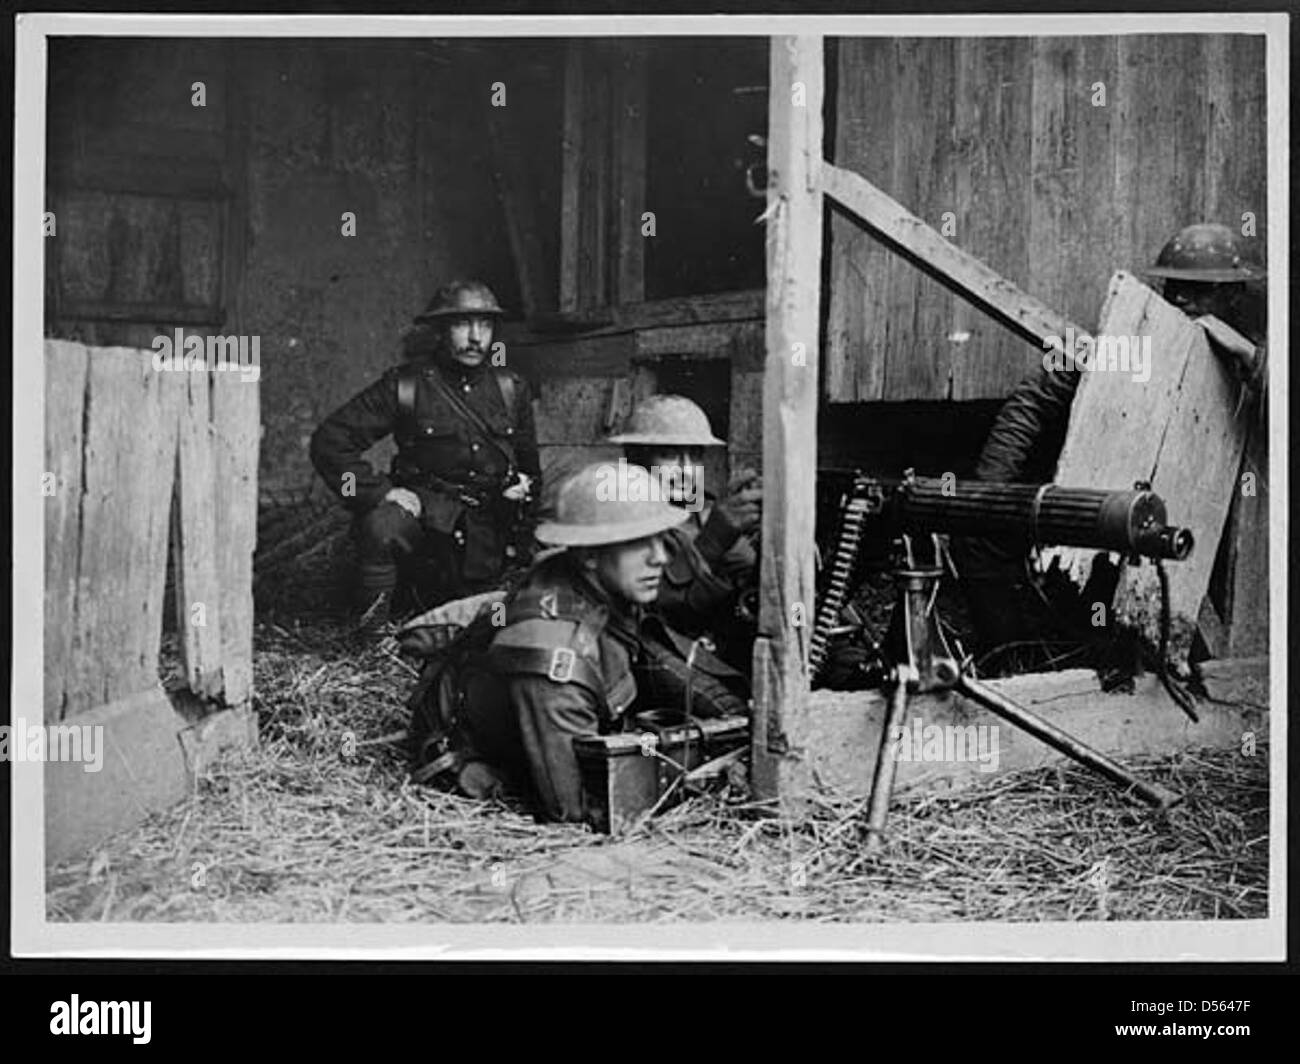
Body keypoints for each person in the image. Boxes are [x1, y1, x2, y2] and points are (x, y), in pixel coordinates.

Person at [957, 223, 1266, 665]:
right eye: (1174, 286)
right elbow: (1033, 401)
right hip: (1101, 509)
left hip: (1189, 538)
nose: (1181, 300)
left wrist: (1249, 357)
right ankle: (1011, 666)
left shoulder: (1247, 363)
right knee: (982, 546)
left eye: (1200, 291)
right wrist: (988, 493)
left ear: (1232, 297)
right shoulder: (1130, 336)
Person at [413, 462, 750, 824]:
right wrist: (708, 784)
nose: (661, 557)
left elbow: (649, 655)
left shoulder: (597, 583)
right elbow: (577, 811)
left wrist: (735, 718)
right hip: (487, 741)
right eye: (638, 543)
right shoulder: (553, 657)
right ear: (589, 554)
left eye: (662, 538)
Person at [309, 280, 540, 628]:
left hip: (486, 533)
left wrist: (520, 500)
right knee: (381, 526)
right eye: (463, 324)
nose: (476, 337)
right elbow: (329, 442)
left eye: (486, 325)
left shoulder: (511, 389)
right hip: (427, 531)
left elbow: (531, 471)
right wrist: (378, 493)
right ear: (440, 330)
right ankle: (370, 641)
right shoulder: (406, 385)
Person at [606, 394, 762, 671]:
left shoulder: (701, 508)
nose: (686, 469)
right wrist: (713, 542)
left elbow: (744, 573)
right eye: (669, 455)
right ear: (634, 457)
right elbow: (648, 613)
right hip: (652, 661)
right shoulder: (609, 519)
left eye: (695, 455)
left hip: (715, 649)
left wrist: (773, 543)